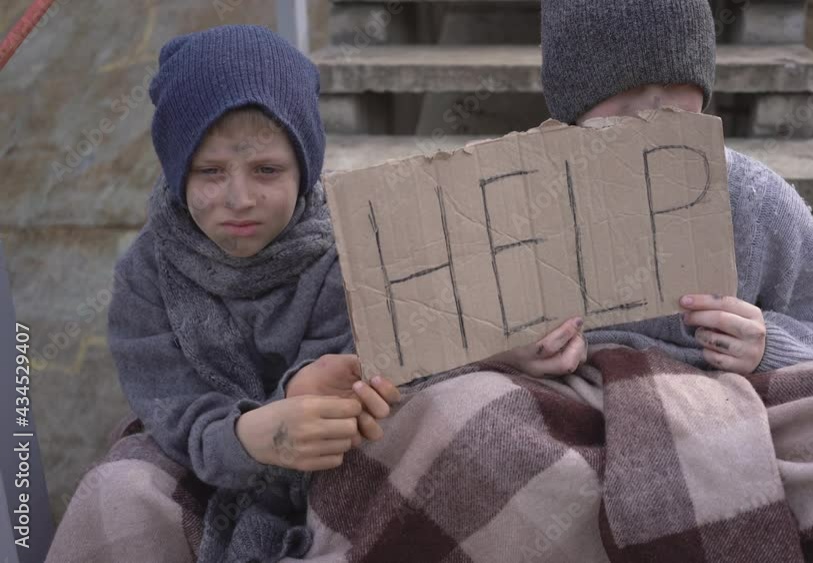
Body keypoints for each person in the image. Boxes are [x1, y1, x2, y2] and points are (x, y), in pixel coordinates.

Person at [46, 25, 586, 563]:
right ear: (174, 169)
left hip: (340, 454)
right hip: (202, 458)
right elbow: (170, 405)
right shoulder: (147, 274)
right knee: (114, 493)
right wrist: (246, 435)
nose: (239, 197)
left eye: (267, 170)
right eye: (209, 171)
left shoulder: (354, 246)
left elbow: (407, 352)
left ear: (304, 170)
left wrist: (499, 345)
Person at [540, 0, 813, 374]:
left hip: (723, 401)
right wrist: (509, 355)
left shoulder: (752, 200)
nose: (652, 111)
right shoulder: (528, 200)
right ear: (571, 108)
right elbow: (469, 338)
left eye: (676, 86)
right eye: (624, 97)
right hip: (567, 403)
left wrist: (770, 346)